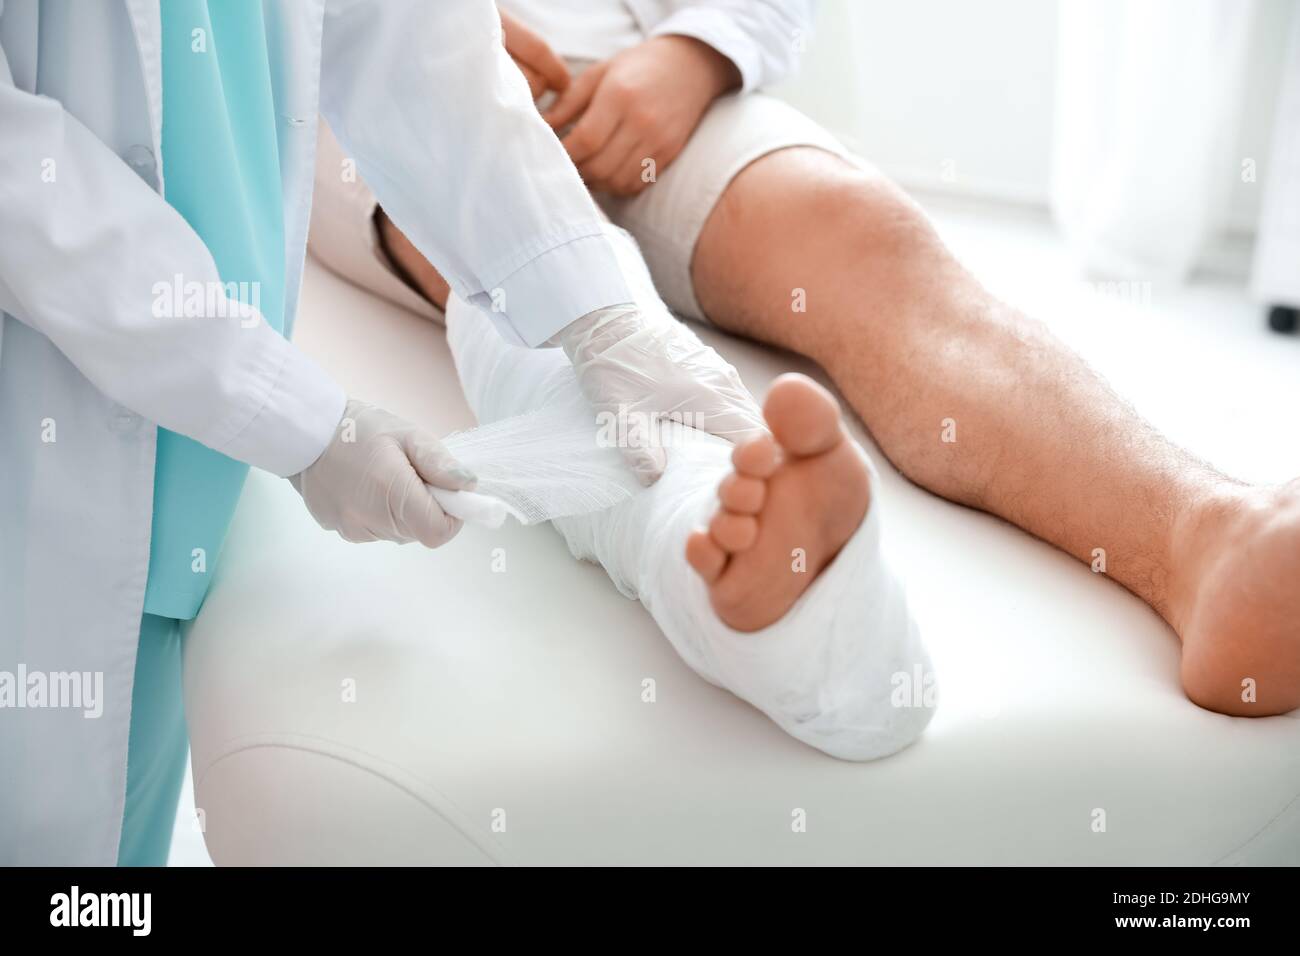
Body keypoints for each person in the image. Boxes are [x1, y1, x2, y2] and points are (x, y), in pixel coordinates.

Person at [311, 0, 1300, 722]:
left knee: (857, 237)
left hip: (638, 75)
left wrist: (698, 51)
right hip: (377, 107)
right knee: (494, 284)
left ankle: (1206, 538)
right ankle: (739, 563)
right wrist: (434, 55)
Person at [0, 0, 761, 866]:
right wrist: (299, 419)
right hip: (35, 430)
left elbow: (420, 45)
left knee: (107, 866)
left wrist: (600, 313)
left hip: (181, 475)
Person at [443, 225, 934, 760]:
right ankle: (729, 552)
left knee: (650, 452)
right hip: (539, 192)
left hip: (667, 161)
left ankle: (705, 541)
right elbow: (466, 200)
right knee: (484, 279)